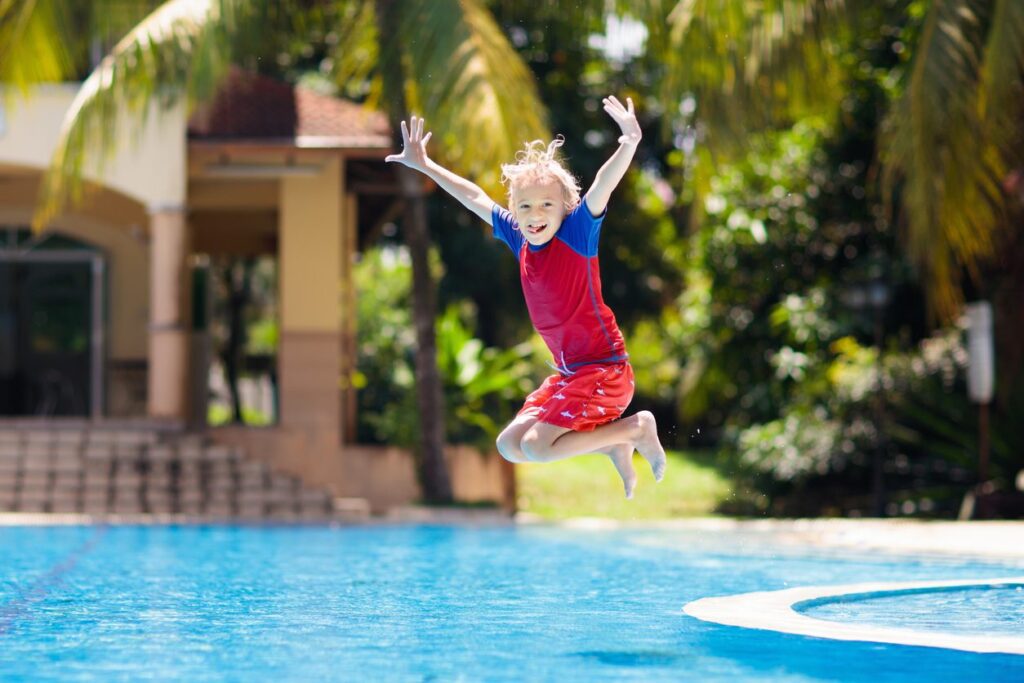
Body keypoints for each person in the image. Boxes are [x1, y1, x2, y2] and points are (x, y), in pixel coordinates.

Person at [385, 95, 666, 498]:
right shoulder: (518, 237)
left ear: (565, 207)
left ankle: (636, 427)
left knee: (537, 445)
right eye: (525, 206)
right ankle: (613, 443)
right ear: (515, 211)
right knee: (510, 446)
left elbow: (603, 184)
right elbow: (476, 197)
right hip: (571, 374)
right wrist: (426, 165)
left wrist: (628, 144)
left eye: (547, 205)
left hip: (604, 370)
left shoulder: (577, 233)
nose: (535, 215)